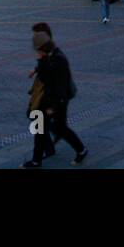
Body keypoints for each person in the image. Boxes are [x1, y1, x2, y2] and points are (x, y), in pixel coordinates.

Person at [22, 37, 86, 168]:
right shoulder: (48, 57)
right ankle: (36, 161)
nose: (36, 54)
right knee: (40, 128)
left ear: (43, 50)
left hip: (58, 101)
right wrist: (37, 67)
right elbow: (45, 73)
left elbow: (60, 87)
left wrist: (54, 107)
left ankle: (81, 150)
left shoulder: (59, 60)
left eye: (38, 51)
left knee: (61, 128)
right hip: (45, 98)